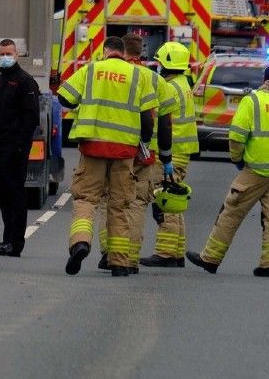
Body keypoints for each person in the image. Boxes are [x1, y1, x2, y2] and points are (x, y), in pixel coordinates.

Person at [187, 64, 269, 277]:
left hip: (253, 172)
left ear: (264, 79)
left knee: (230, 213)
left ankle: (211, 259)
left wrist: (238, 159)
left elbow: (236, 136)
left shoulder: (252, 101)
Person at [56, 36, 157, 277]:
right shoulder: (138, 75)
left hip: (93, 147)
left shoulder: (91, 70)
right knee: (119, 205)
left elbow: (64, 98)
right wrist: (142, 143)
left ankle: (81, 242)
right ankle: (120, 263)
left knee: (86, 200)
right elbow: (147, 118)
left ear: (105, 51)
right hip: (124, 151)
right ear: (123, 53)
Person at [96, 34, 175, 272]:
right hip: (144, 151)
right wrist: (166, 156)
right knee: (137, 203)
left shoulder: (106, 75)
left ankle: (109, 252)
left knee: (109, 200)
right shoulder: (156, 80)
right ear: (141, 53)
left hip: (114, 148)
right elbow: (165, 123)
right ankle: (129, 258)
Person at [140, 41, 198, 268]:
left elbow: (160, 123)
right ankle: (175, 253)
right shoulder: (183, 83)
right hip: (181, 152)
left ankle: (165, 254)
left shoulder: (170, 87)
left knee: (164, 201)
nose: (158, 66)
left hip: (171, 153)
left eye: (160, 63)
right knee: (173, 200)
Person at [0, 39, 40, 257]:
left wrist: (19, 146)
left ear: (17, 55)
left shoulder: (25, 82)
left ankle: (15, 242)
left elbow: (31, 117)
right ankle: (7, 239)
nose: (4, 56)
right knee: (4, 195)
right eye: (1, 53)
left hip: (14, 148)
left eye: (8, 53)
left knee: (15, 194)